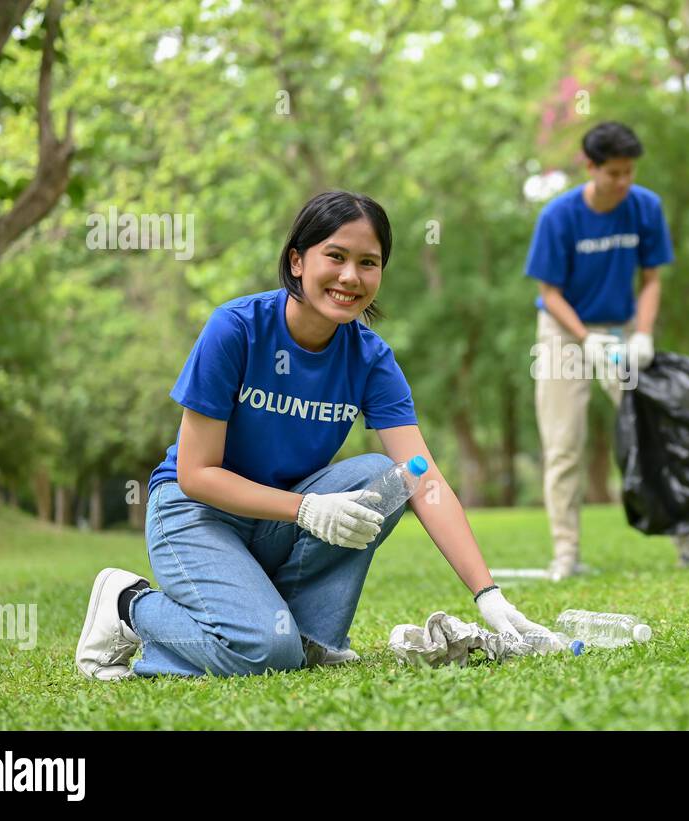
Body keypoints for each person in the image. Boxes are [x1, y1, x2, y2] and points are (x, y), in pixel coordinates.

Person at [75, 190, 555, 680]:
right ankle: (128, 605)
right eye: (336, 256)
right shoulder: (235, 330)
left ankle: (305, 637)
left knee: (384, 477)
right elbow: (195, 475)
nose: (351, 277)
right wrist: (305, 508)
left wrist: (488, 596)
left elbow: (424, 479)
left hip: (278, 521)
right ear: (297, 260)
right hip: (196, 513)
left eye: (368, 262)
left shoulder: (370, 359)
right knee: (266, 651)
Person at [525, 120, 689, 579]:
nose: (624, 182)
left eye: (630, 171)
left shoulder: (645, 208)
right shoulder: (559, 216)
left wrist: (642, 334)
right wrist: (585, 338)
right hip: (562, 332)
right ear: (590, 167)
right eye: (614, 172)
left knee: (653, 435)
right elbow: (549, 293)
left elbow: (651, 279)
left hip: (622, 329)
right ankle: (566, 555)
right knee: (563, 445)